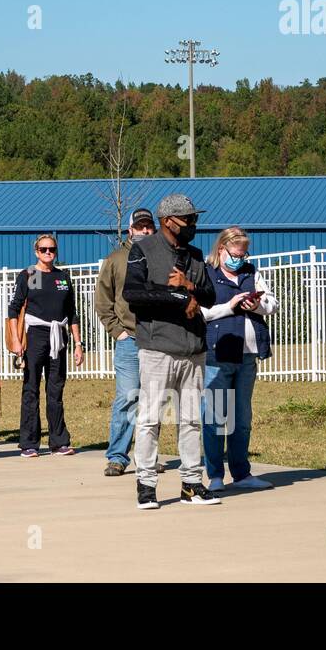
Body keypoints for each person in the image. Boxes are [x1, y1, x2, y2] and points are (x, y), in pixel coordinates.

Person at [122, 193, 220, 509]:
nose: (194, 224)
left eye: (194, 218)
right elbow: (133, 294)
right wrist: (177, 297)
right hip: (157, 348)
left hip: (193, 348)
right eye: (188, 219)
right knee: (150, 418)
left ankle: (191, 484)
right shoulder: (143, 250)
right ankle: (146, 485)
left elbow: (210, 297)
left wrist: (190, 288)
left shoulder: (194, 254)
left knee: (191, 419)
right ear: (169, 221)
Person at [200, 226, 278, 492]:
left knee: (242, 417)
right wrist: (230, 306)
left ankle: (241, 473)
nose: (240, 259)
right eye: (236, 253)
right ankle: (215, 475)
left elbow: (273, 304)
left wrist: (255, 305)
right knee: (215, 417)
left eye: (244, 254)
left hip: (247, 354)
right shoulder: (206, 274)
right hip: (217, 354)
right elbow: (200, 313)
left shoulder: (251, 272)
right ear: (221, 249)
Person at [7, 235, 84, 457]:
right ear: (36, 251)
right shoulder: (31, 275)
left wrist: (78, 344)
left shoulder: (63, 278)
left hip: (58, 337)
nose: (48, 253)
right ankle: (29, 442)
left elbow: (72, 314)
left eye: (52, 249)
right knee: (31, 388)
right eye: (43, 249)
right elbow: (14, 308)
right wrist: (16, 339)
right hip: (35, 336)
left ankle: (59, 441)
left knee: (55, 389)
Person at [95, 208, 155, 476]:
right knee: (127, 399)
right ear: (130, 230)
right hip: (128, 340)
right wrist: (116, 331)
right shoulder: (116, 259)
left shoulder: (161, 256)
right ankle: (117, 456)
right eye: (139, 226)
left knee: (154, 401)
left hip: (157, 340)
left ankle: (149, 456)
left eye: (148, 226)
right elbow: (103, 300)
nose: (144, 230)